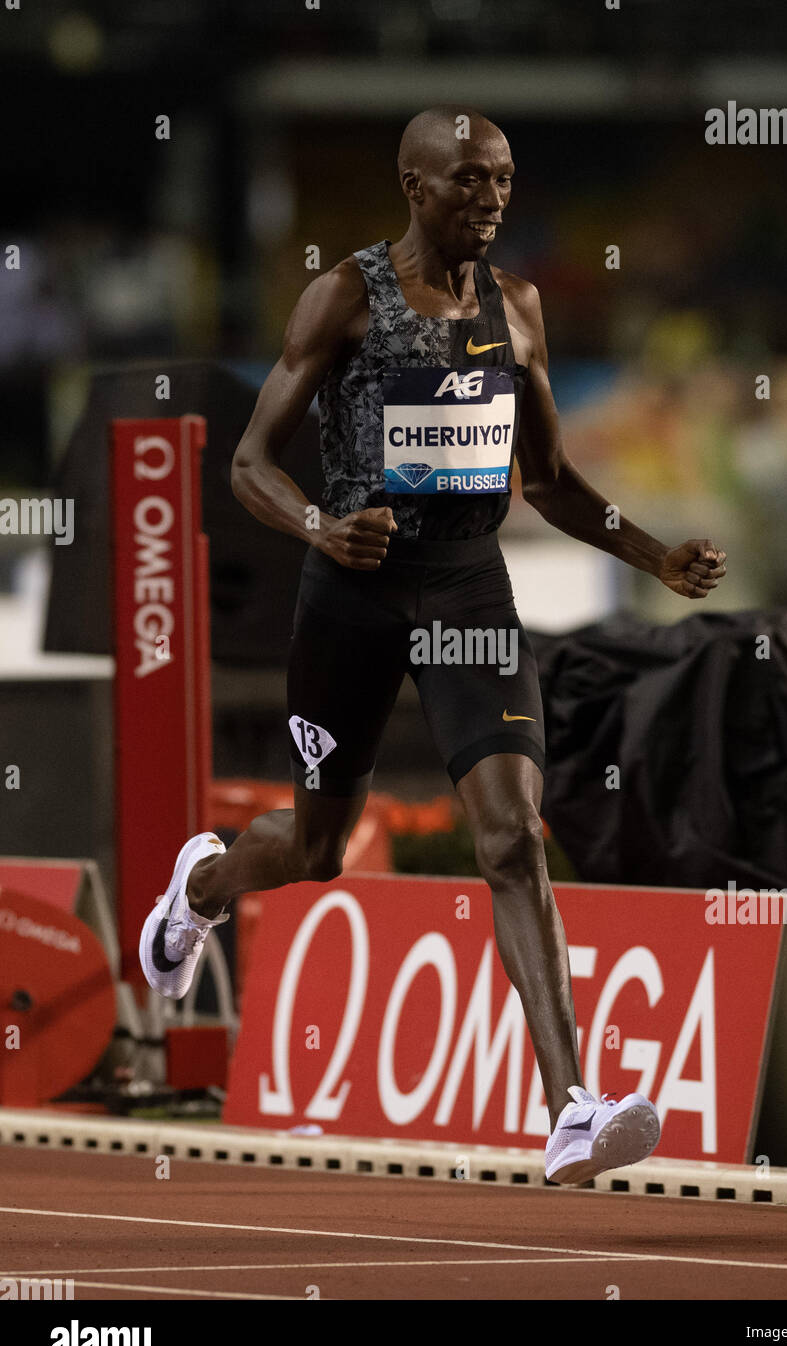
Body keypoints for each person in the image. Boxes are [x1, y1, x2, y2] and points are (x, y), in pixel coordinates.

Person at [140, 106, 727, 1185]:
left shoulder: (517, 307)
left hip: (464, 592)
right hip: (350, 601)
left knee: (510, 836)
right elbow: (248, 463)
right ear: (414, 188)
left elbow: (544, 480)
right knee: (317, 851)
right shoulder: (343, 298)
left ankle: (569, 1108)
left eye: (502, 178)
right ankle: (204, 889)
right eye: (467, 181)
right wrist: (319, 523)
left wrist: (650, 556)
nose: (492, 198)